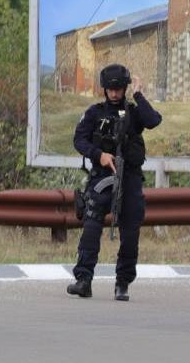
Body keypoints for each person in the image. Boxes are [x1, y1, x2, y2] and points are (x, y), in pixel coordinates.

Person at [66, 63, 162, 302]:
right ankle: (84, 279)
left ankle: (122, 283)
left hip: (128, 177)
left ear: (125, 88)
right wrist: (99, 155)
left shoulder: (133, 111)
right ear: (105, 89)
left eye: (119, 89)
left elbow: (153, 120)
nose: (115, 93)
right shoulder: (95, 113)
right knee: (91, 226)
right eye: (111, 89)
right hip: (101, 177)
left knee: (130, 231)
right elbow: (79, 140)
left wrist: (139, 95)